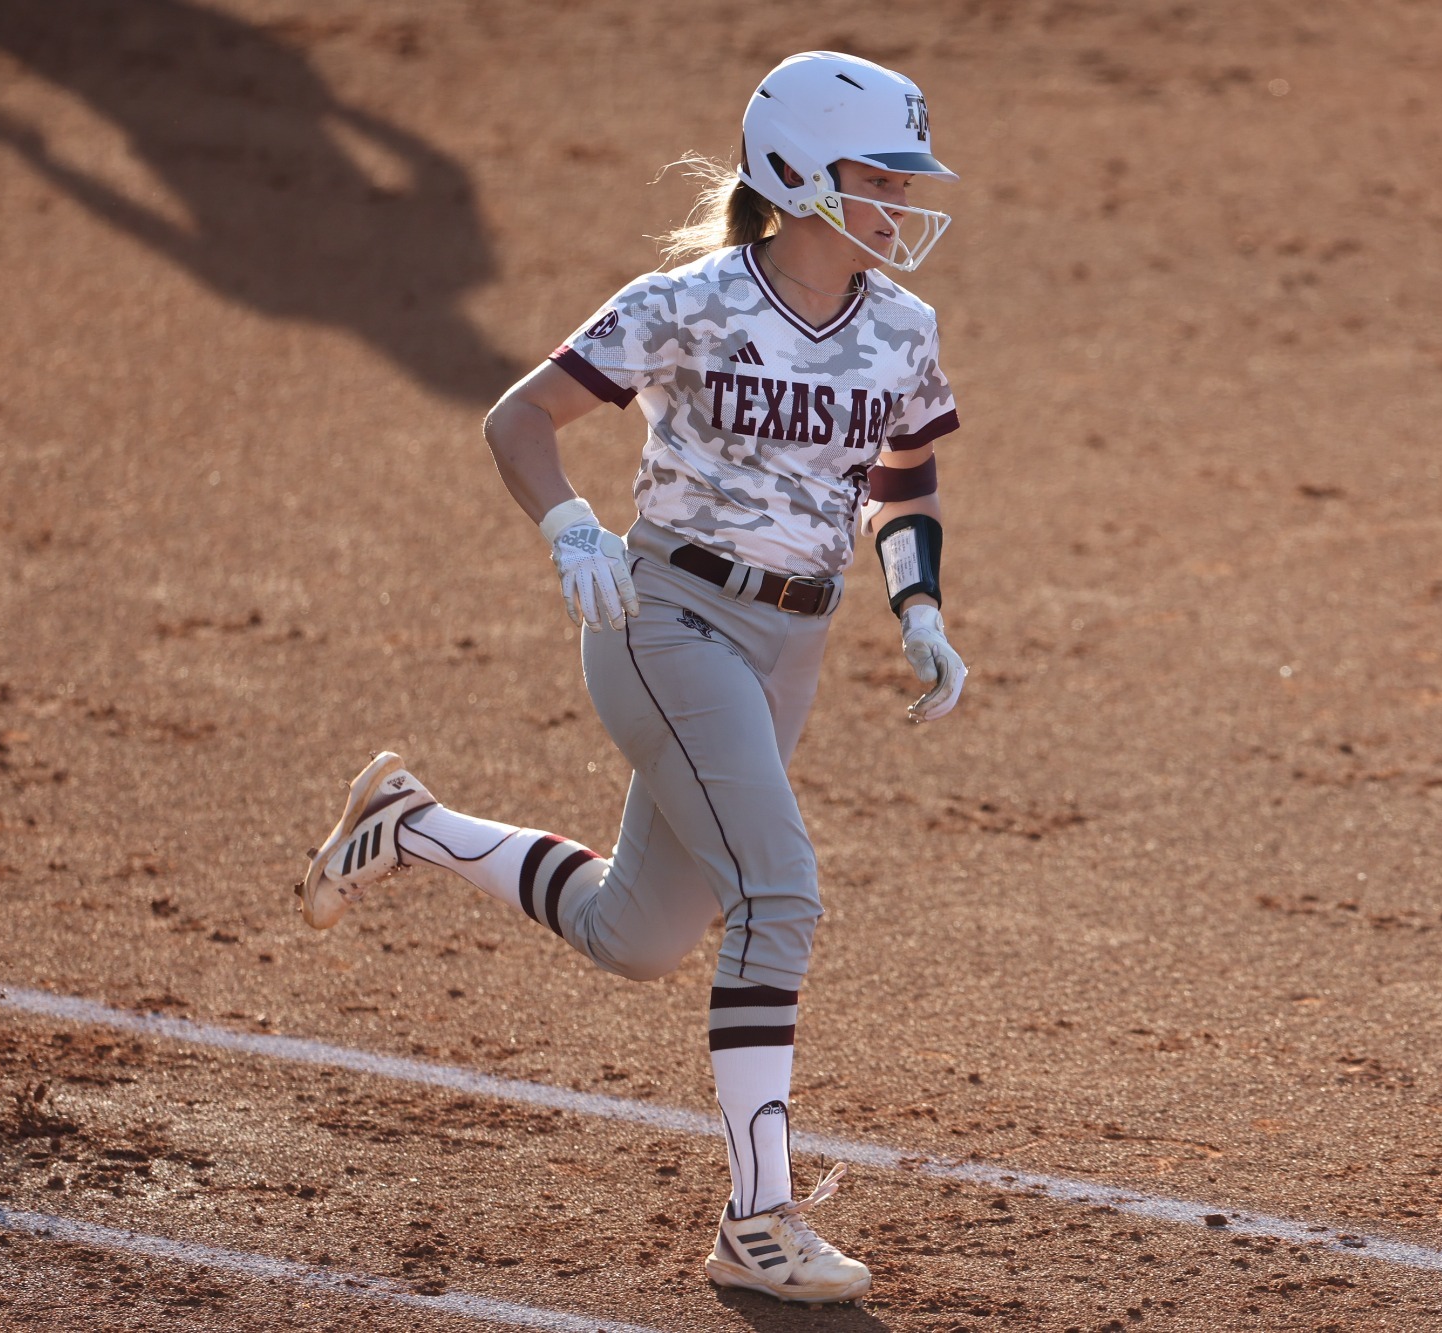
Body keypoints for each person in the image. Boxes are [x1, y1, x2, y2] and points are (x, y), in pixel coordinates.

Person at [292, 51, 967, 1305]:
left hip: (791, 646)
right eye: (882, 175)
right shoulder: (687, 304)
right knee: (780, 894)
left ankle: (411, 825)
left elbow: (904, 477)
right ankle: (757, 1222)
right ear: (801, 176)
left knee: (638, 934)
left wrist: (917, 606)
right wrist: (570, 528)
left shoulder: (901, 327)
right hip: (663, 621)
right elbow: (518, 419)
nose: (903, 201)